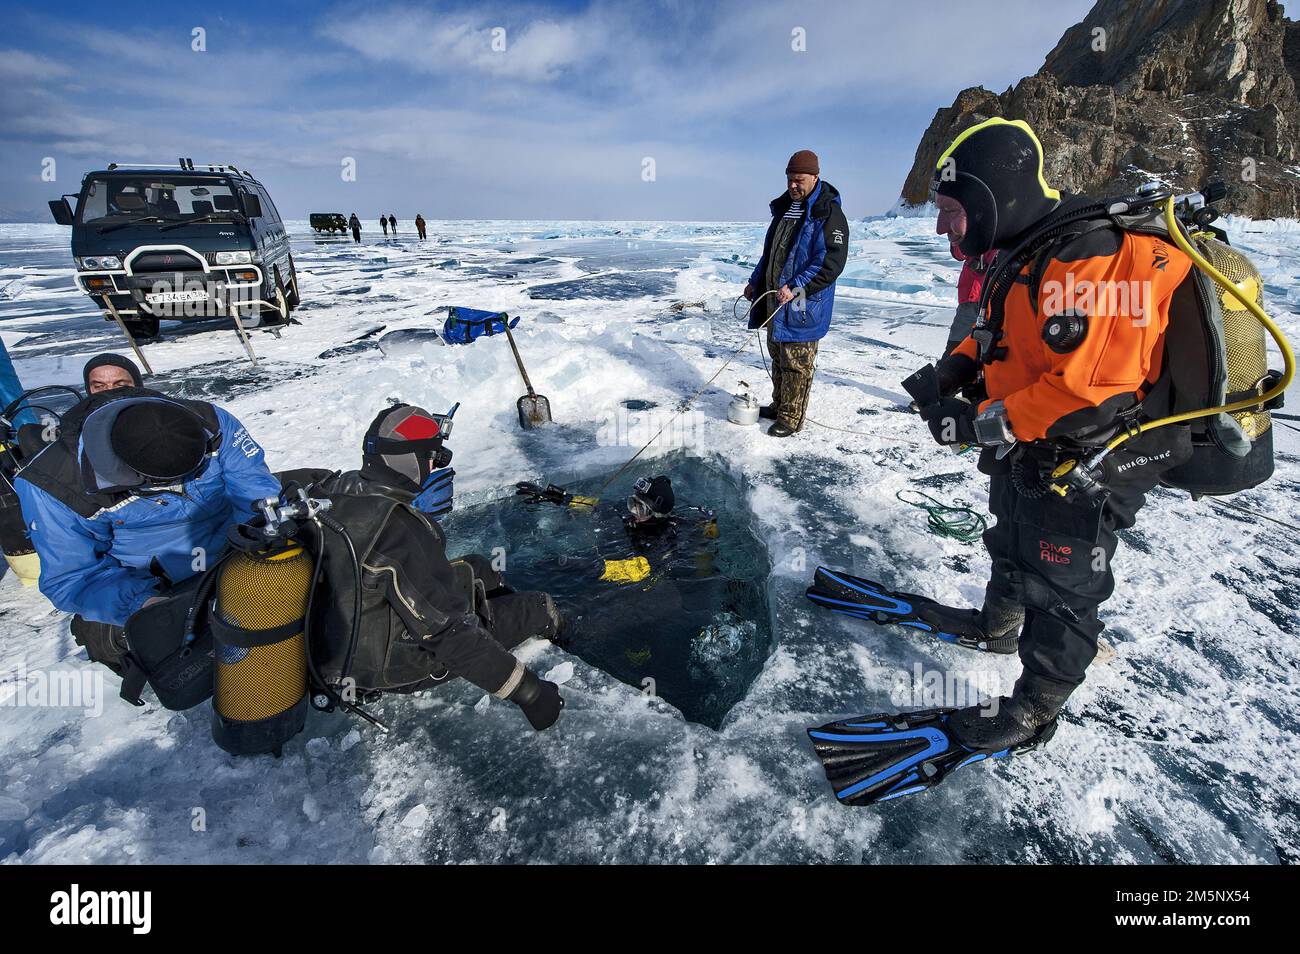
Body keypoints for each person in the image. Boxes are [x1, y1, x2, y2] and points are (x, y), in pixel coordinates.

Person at [805, 117, 1200, 803]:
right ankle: (996, 625)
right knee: (1011, 539)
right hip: (1030, 454)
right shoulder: (1027, 255)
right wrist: (946, 376)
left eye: (953, 213)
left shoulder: (1090, 261)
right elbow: (998, 338)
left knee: (1064, 584)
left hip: (1088, 464)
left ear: (993, 201)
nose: (941, 231)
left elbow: (1088, 395)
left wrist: (979, 422)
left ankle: (1036, 708)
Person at [13, 387, 283, 671]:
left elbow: (256, 495)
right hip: (151, 585)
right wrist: (145, 604)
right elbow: (72, 579)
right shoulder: (51, 486)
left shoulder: (213, 424)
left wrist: (259, 545)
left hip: (232, 555)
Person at [742, 150, 849, 437]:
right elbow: (771, 254)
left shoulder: (828, 213)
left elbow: (829, 262)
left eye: (799, 180)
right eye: (790, 179)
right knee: (778, 356)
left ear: (815, 177)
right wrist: (756, 281)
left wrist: (796, 286)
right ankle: (779, 406)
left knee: (796, 364)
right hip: (777, 302)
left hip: (803, 304)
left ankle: (792, 417)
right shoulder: (784, 210)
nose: (793, 186)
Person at [935, 196, 997, 356]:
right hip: (971, 297)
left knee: (990, 354)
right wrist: (958, 235)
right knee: (954, 352)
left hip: (991, 299)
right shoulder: (967, 223)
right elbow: (959, 254)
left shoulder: (1001, 225)